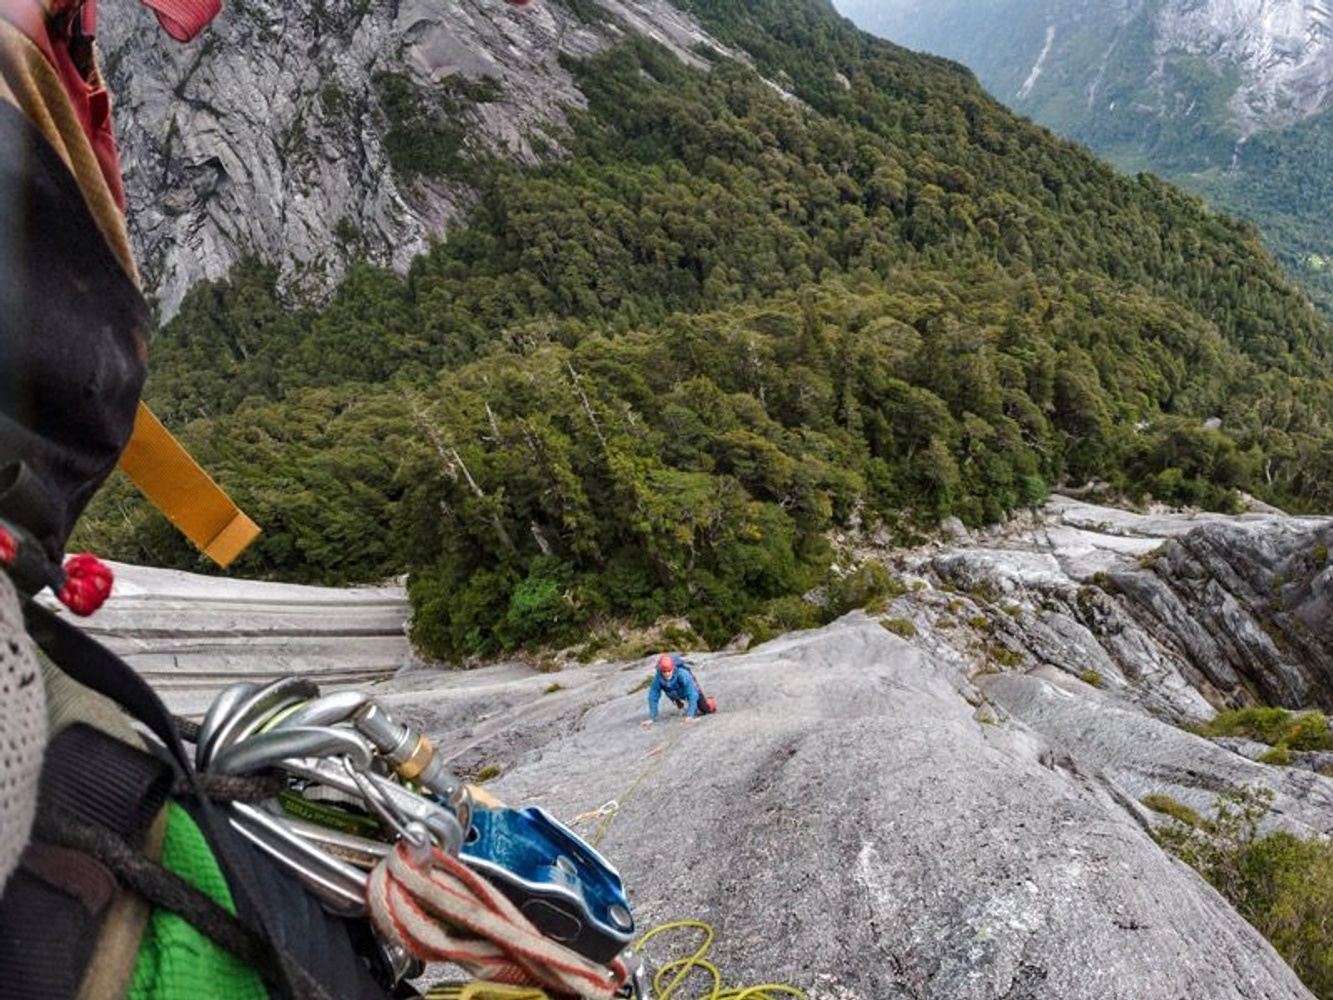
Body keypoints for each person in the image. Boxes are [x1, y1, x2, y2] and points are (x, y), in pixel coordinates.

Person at [642, 653, 716, 726]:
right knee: (671, 689)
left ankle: (710, 701)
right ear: (661, 670)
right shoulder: (658, 679)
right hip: (674, 692)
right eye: (664, 671)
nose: (667, 674)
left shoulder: (683, 674)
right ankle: (678, 701)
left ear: (673, 668)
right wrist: (652, 718)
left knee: (705, 709)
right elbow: (653, 697)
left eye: (669, 671)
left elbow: (692, 694)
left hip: (689, 688)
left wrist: (690, 715)